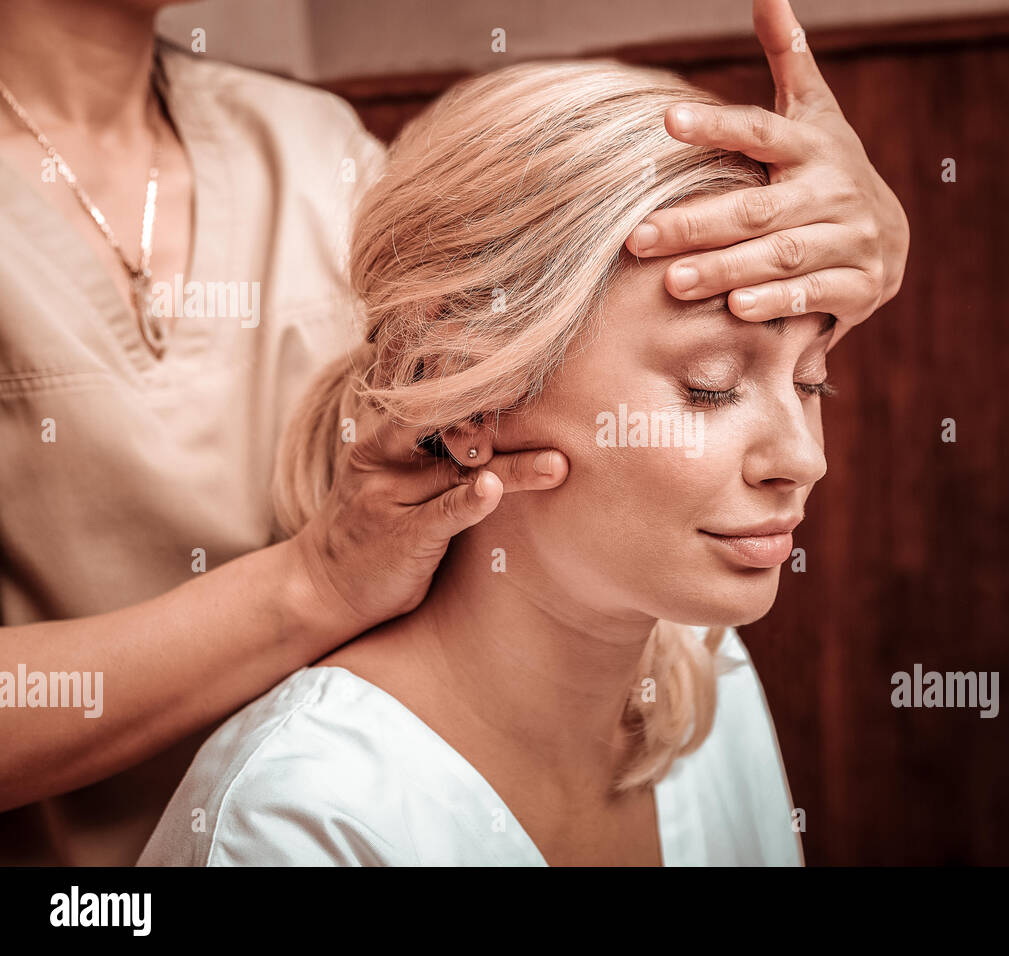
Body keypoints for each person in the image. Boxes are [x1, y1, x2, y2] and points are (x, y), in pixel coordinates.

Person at [0, 0, 908, 866]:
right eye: (707, 389)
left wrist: (850, 254)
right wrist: (313, 584)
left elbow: (519, 269)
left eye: (814, 383)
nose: (807, 460)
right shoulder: (300, 806)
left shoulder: (310, 146)